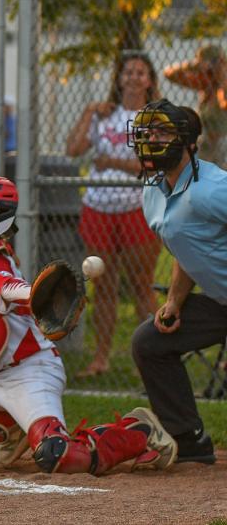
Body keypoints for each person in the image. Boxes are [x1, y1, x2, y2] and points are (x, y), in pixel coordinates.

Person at [0, 174, 177, 475]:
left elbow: (9, 287)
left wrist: (36, 295)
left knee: (58, 454)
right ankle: (8, 430)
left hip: (30, 372)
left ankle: (138, 431)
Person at [129, 99, 227, 466]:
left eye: (163, 131)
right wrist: (173, 300)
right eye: (148, 131)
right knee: (150, 342)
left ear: (187, 142)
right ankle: (189, 438)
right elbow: (186, 249)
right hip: (220, 302)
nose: (152, 138)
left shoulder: (212, 189)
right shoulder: (152, 192)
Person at [65, 51, 162, 377]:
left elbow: (147, 165)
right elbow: (73, 149)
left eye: (140, 72)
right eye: (128, 72)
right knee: (102, 286)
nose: (133, 77)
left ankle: (151, 359)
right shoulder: (104, 115)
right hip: (98, 207)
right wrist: (89, 110)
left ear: (149, 81)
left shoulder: (153, 117)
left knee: (141, 285)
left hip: (136, 207)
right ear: (119, 79)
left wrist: (111, 163)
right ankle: (101, 358)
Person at [163, 45, 227, 168]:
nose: (210, 74)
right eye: (207, 71)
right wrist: (193, 65)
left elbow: (224, 103)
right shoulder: (204, 86)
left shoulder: (223, 86)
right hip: (204, 147)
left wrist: (222, 77)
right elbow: (169, 74)